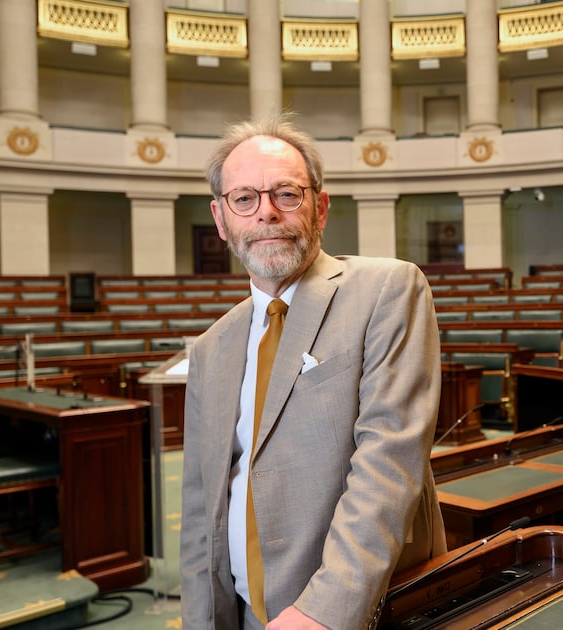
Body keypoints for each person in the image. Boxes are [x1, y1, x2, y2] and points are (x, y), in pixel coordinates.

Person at [179, 112, 446, 630]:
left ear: (320, 207)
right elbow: (199, 507)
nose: (266, 214)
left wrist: (322, 613)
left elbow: (387, 463)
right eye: (245, 199)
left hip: (355, 610)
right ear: (221, 219)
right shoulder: (212, 347)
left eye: (286, 194)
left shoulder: (388, 289)